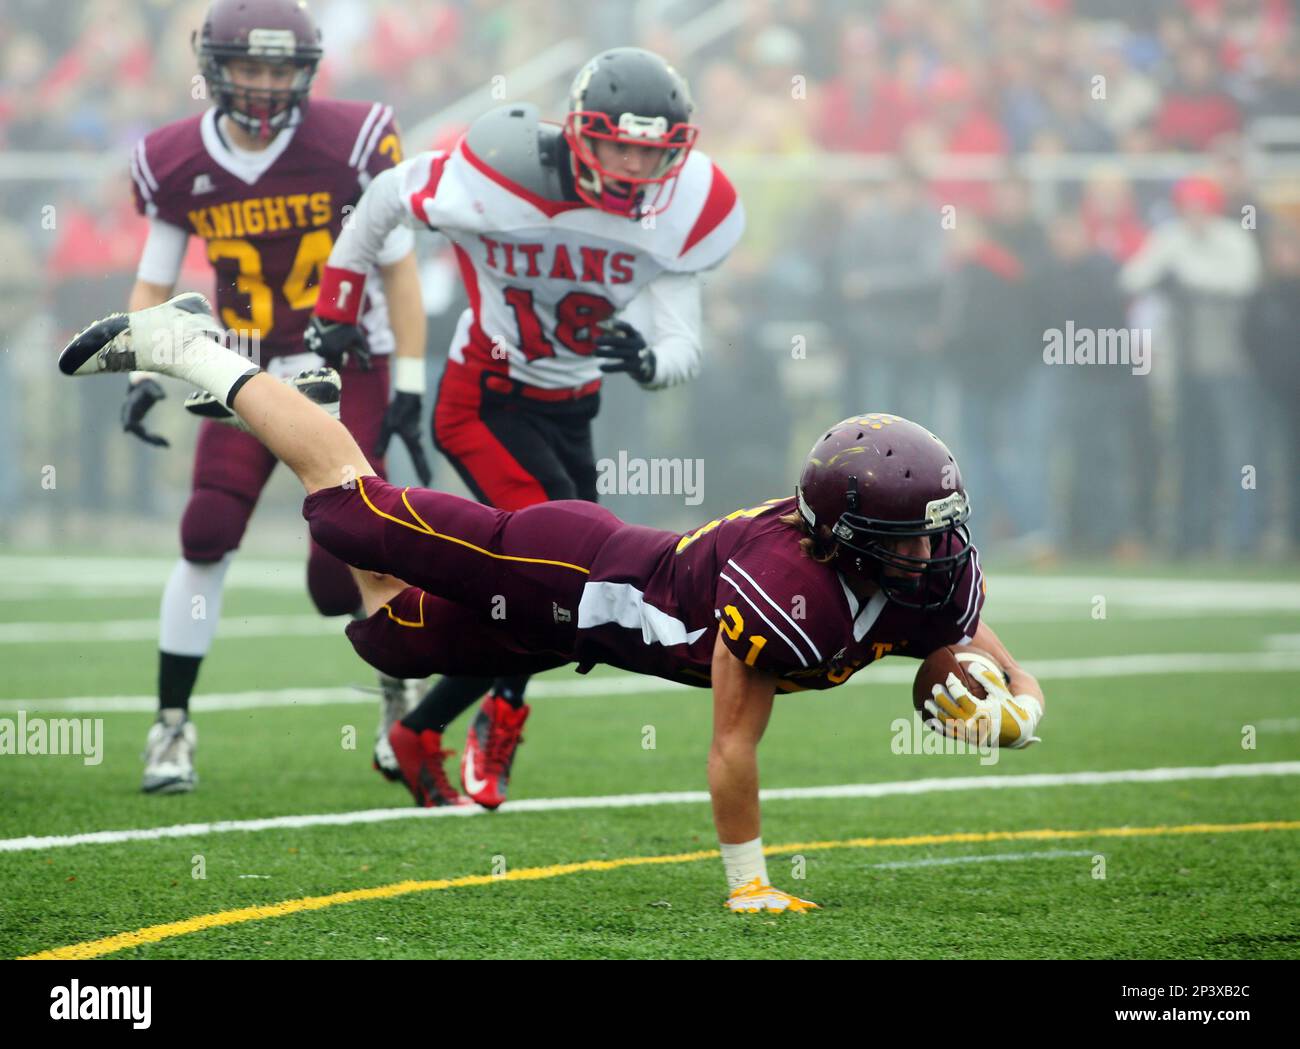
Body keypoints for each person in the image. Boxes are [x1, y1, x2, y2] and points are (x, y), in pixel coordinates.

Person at [59, 296, 1046, 913]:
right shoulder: (786, 587)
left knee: (388, 643)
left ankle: (295, 400)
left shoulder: (932, 565)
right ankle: (188, 342)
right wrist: (748, 882)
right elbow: (733, 743)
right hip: (560, 569)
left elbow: (975, 644)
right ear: (839, 529)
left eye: (935, 530)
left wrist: (1018, 707)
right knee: (348, 517)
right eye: (905, 535)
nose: (926, 553)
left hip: (572, 623)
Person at [300, 47, 744, 809]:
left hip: (574, 411)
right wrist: (337, 302)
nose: (636, 167)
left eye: (653, 150)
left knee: (554, 598)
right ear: (579, 134)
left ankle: (417, 726)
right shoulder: (498, 177)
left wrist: (646, 360)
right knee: (560, 590)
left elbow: (683, 344)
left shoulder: (683, 212)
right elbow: (381, 199)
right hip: (485, 403)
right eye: (620, 144)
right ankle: (487, 713)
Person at [121, 0, 428, 793]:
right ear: (215, 68)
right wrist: (144, 368)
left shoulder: (348, 142)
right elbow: (156, 275)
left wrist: (410, 381)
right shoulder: (177, 156)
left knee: (339, 572)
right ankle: (171, 726)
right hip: (241, 367)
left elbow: (398, 268)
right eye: (248, 67)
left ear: (305, 72)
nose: (262, 84)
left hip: (340, 361)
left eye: (277, 68)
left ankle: (400, 691)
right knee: (207, 527)